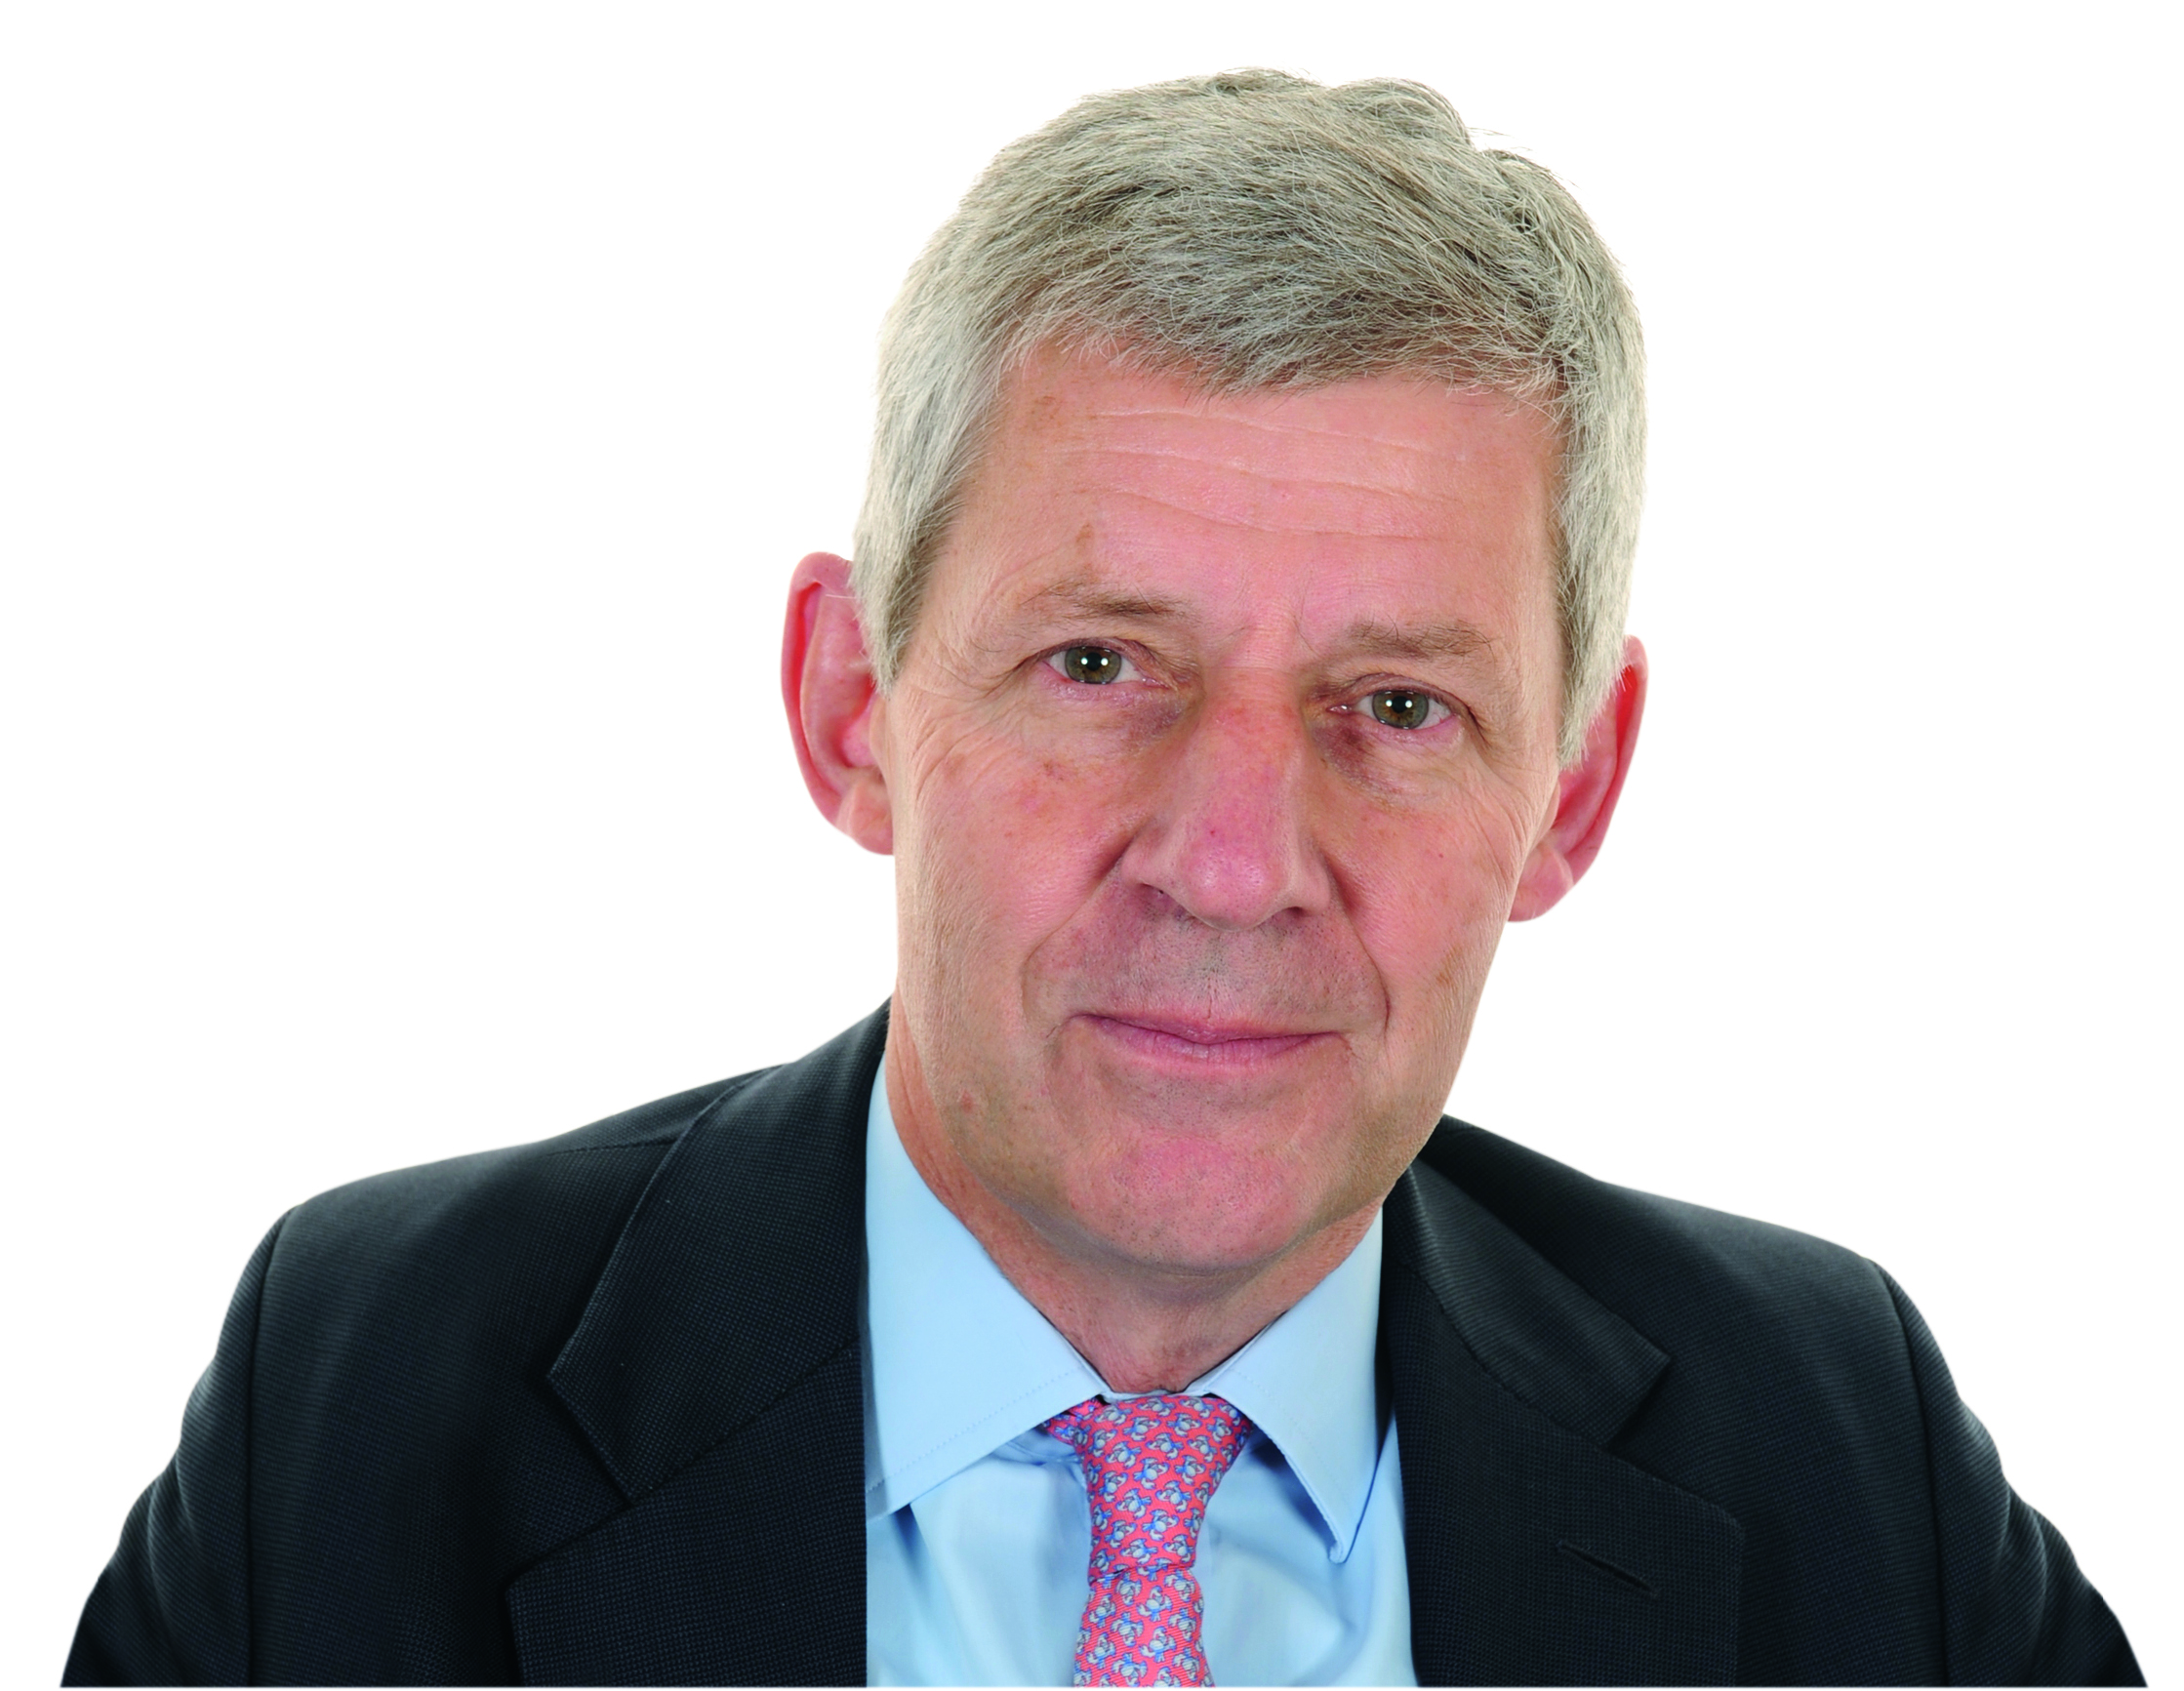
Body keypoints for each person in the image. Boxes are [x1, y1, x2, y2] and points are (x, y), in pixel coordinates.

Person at [64, 70, 2139, 1687]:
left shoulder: (1829, 1446)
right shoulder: (366, 1397)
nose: (1234, 866)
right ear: (852, 705)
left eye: (1396, 705)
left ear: (1573, 788)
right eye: (1098, 665)